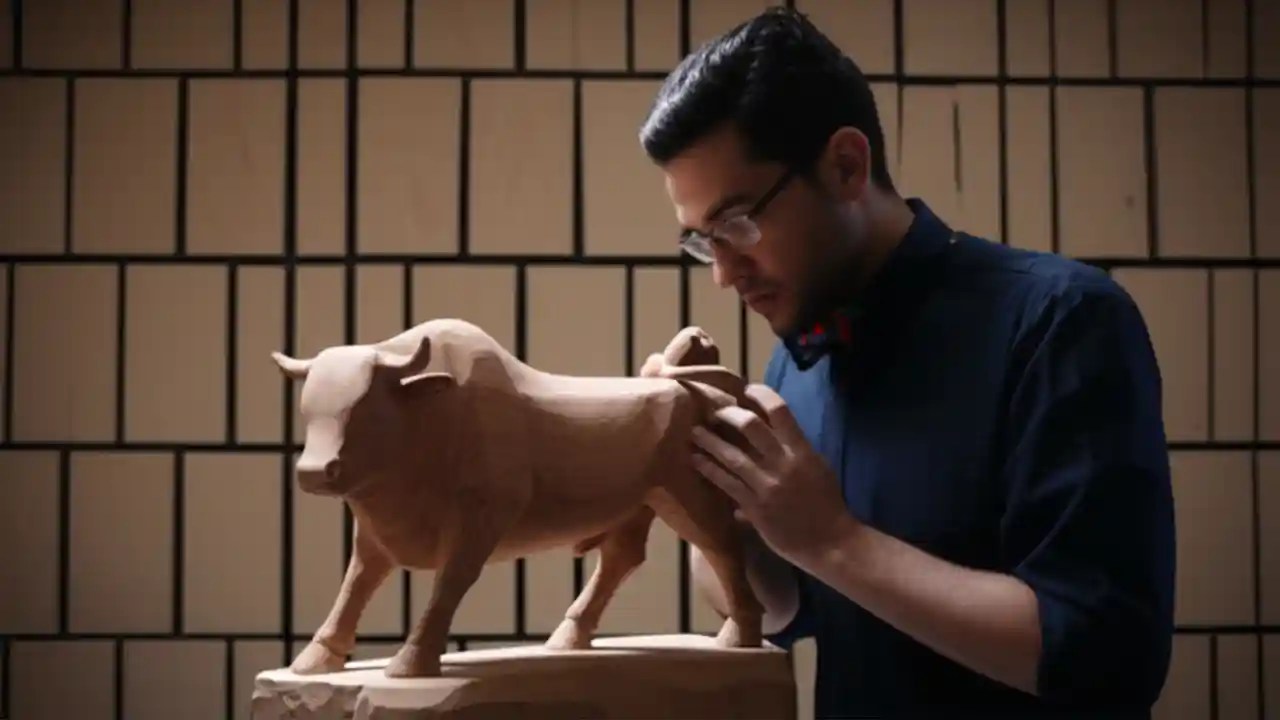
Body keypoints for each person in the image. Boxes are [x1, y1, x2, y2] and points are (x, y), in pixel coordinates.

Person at [638, 7, 1175, 718]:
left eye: (738, 223)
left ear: (846, 165)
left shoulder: (1059, 321)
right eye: (704, 240)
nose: (725, 273)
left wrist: (833, 541)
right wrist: (705, 510)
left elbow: (1103, 654)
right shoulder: (794, 363)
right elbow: (795, 613)